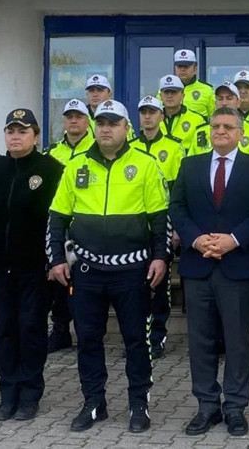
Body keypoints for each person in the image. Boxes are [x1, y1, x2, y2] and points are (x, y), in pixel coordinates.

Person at [46, 100, 170, 434]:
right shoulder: (75, 167)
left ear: (127, 128)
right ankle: (94, 402)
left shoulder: (145, 165)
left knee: (135, 341)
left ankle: (138, 404)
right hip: (87, 271)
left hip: (132, 271)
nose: (105, 128)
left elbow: (160, 219)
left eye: (113, 123)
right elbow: (57, 217)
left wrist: (161, 257)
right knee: (87, 339)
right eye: (100, 122)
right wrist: (56, 258)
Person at [169, 107, 249, 438]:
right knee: (200, 340)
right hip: (199, 266)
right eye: (216, 126)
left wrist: (234, 240)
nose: (221, 131)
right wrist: (196, 239)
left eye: (228, 126)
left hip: (238, 266)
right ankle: (207, 406)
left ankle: (235, 408)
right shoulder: (190, 166)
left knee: (237, 340)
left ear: (241, 133)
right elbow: (177, 208)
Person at [0, 109, 64, 421]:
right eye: (11, 130)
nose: (15, 136)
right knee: (4, 330)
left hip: (36, 268)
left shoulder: (51, 170)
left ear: (36, 137)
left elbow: (59, 220)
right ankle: (7, 393)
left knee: (31, 329)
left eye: (23, 131)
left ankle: (29, 394)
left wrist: (56, 260)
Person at [133, 95, 187, 360]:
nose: (148, 116)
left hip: (162, 222)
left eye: (153, 112)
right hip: (135, 224)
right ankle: (137, 338)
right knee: (135, 286)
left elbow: (178, 192)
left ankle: (157, 337)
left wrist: (176, 228)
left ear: (161, 116)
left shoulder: (174, 147)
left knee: (160, 283)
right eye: (143, 112)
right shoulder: (130, 147)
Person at [45, 98, 95, 353]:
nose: (73, 121)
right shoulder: (52, 152)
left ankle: (88, 331)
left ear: (88, 121)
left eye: (78, 116)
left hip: (87, 225)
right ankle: (61, 330)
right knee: (58, 281)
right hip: (61, 224)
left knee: (86, 283)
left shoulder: (96, 150)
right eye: (69, 117)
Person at [189, 81, 249, 159]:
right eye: (220, 99)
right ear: (215, 103)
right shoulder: (200, 132)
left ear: (238, 103)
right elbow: (191, 165)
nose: (224, 103)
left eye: (229, 98)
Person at [159, 74, 207, 153]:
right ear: (161, 96)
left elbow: (201, 150)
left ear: (182, 96)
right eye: (166, 92)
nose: (169, 96)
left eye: (174, 92)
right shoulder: (154, 119)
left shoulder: (197, 119)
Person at [175, 49, 216, 118]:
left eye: (186, 66)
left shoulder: (207, 90)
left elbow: (214, 118)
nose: (182, 69)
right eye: (179, 66)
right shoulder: (165, 90)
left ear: (195, 68)